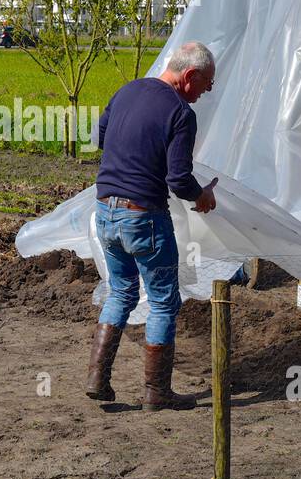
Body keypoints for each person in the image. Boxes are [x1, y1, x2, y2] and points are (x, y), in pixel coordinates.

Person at [86, 41, 218, 411]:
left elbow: (99, 137)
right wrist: (202, 196)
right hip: (143, 217)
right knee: (163, 301)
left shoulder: (127, 90)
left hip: (105, 212)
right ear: (189, 76)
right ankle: (156, 393)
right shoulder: (180, 112)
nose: (206, 93)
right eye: (206, 85)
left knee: (121, 293)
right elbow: (178, 179)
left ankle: (98, 378)